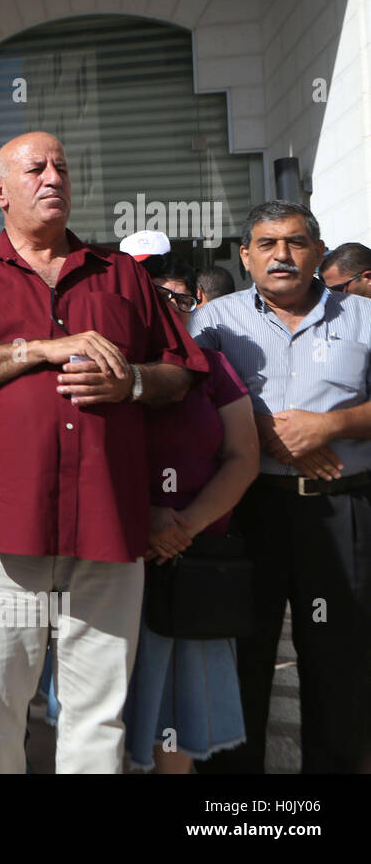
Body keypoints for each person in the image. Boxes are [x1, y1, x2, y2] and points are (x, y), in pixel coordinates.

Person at [0, 132, 206, 774]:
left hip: (106, 528)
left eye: (62, 168)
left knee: (97, 720)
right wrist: (33, 349)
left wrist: (130, 380)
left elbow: (180, 372)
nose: (53, 179)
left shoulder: (121, 273)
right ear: (0, 190)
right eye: (36, 168)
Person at [190, 201, 371, 774]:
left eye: (296, 243)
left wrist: (332, 425)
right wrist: (265, 433)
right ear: (245, 256)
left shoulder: (363, 318)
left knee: (338, 661)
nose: (283, 256)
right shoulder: (213, 323)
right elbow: (193, 406)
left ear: (319, 252)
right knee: (240, 652)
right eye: (267, 244)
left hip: (342, 508)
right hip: (247, 511)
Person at [122, 253, 258, 772]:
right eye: (154, 296)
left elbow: (242, 457)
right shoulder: (109, 370)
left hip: (193, 568)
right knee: (101, 720)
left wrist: (183, 527)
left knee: (175, 727)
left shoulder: (215, 369)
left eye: (178, 298)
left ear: (194, 306)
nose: (167, 307)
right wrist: (146, 515)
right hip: (116, 558)